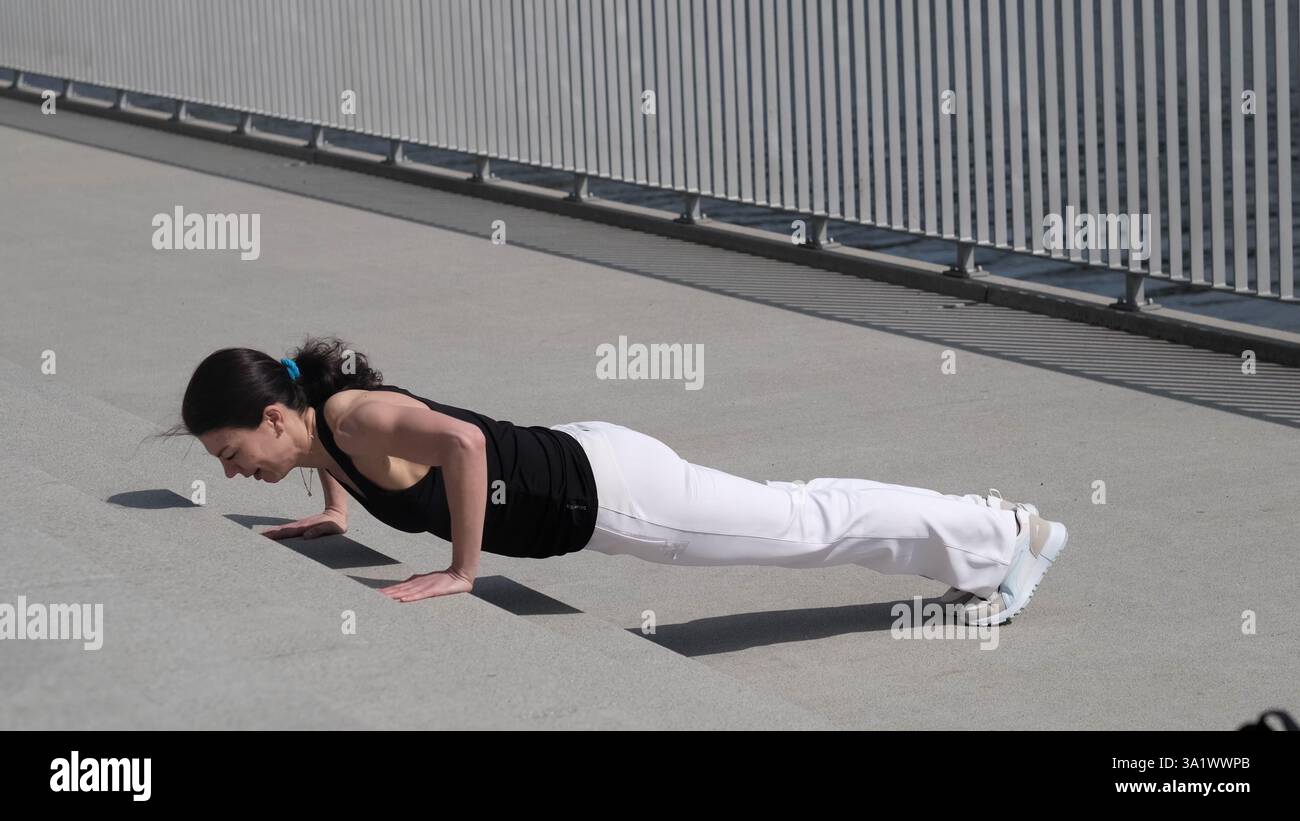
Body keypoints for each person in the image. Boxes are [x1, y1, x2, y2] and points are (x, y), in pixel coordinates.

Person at [168, 336, 1067, 625]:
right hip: (589, 464)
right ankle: (983, 534)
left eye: (230, 449)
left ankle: (1008, 531)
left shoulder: (355, 416)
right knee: (802, 514)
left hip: (613, 495)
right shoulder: (325, 425)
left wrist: (462, 570)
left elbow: (463, 447)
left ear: (275, 417)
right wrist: (333, 508)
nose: (233, 470)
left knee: (806, 522)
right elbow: (346, 458)